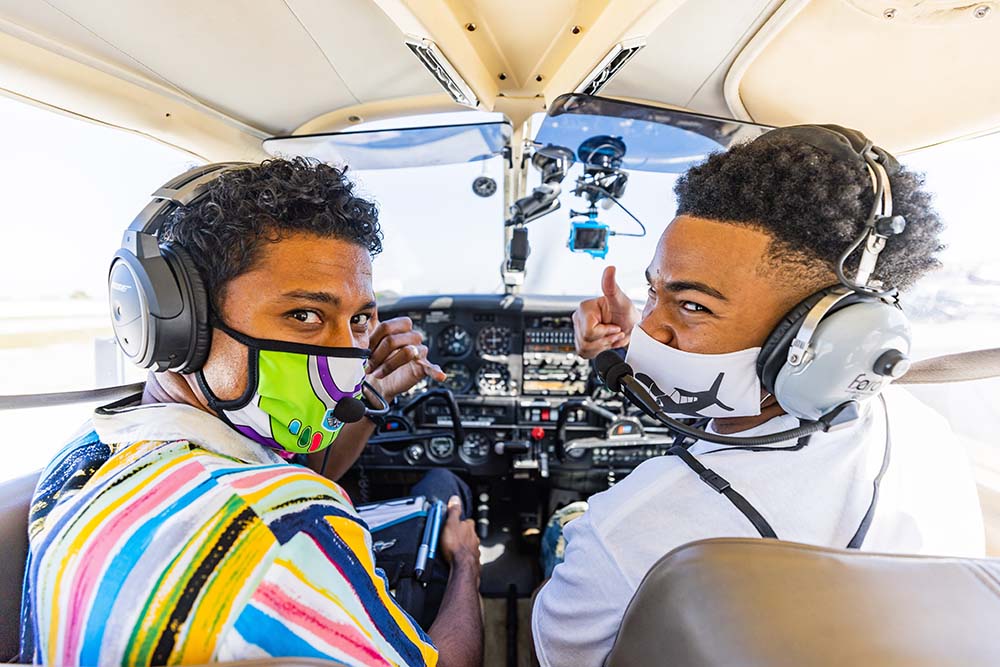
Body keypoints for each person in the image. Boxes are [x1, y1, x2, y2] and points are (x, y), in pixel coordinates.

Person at [532, 126, 985, 666]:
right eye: (653, 291)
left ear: (821, 337)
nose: (649, 331)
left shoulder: (627, 532)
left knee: (565, 525)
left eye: (693, 306)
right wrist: (645, 340)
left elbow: (555, 655)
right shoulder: (925, 431)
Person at [21, 158, 482, 667]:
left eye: (359, 320)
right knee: (445, 488)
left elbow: (288, 462)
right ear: (181, 323)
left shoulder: (86, 453)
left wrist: (370, 395)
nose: (349, 358)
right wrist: (466, 563)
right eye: (304, 315)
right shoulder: (286, 530)